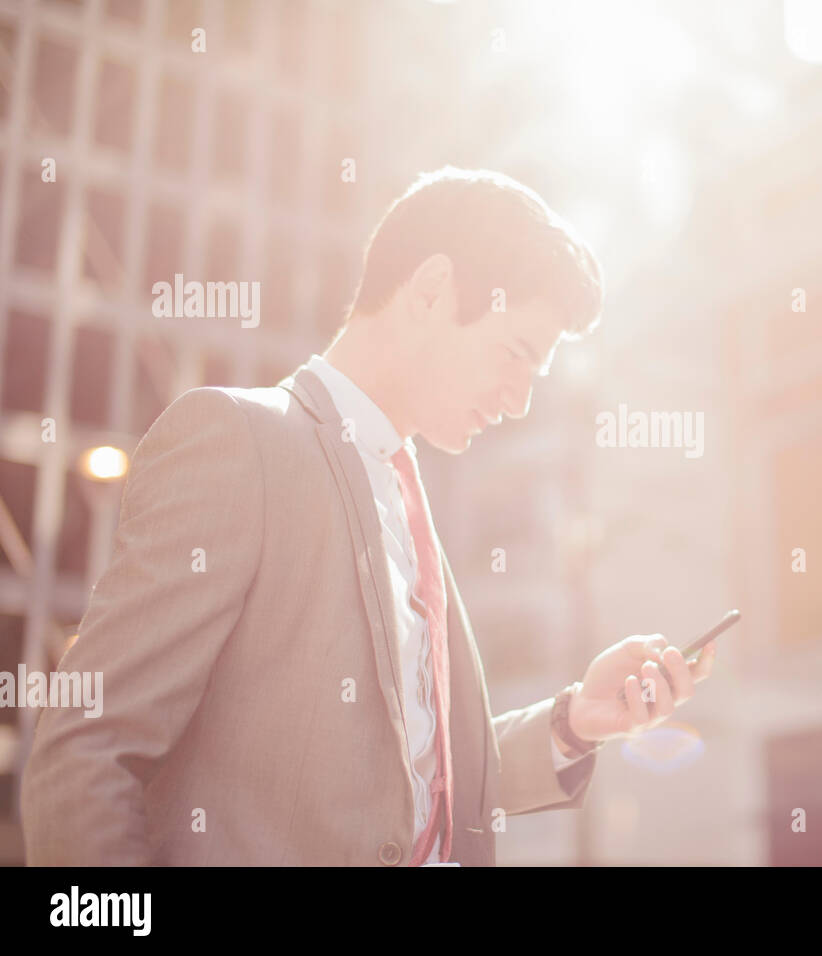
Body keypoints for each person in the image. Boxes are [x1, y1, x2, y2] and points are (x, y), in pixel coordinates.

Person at [20, 166, 716, 866]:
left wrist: (572, 725)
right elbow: (87, 747)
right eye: (515, 355)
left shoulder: (410, 509)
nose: (519, 401)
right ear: (431, 289)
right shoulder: (240, 441)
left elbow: (402, 790)